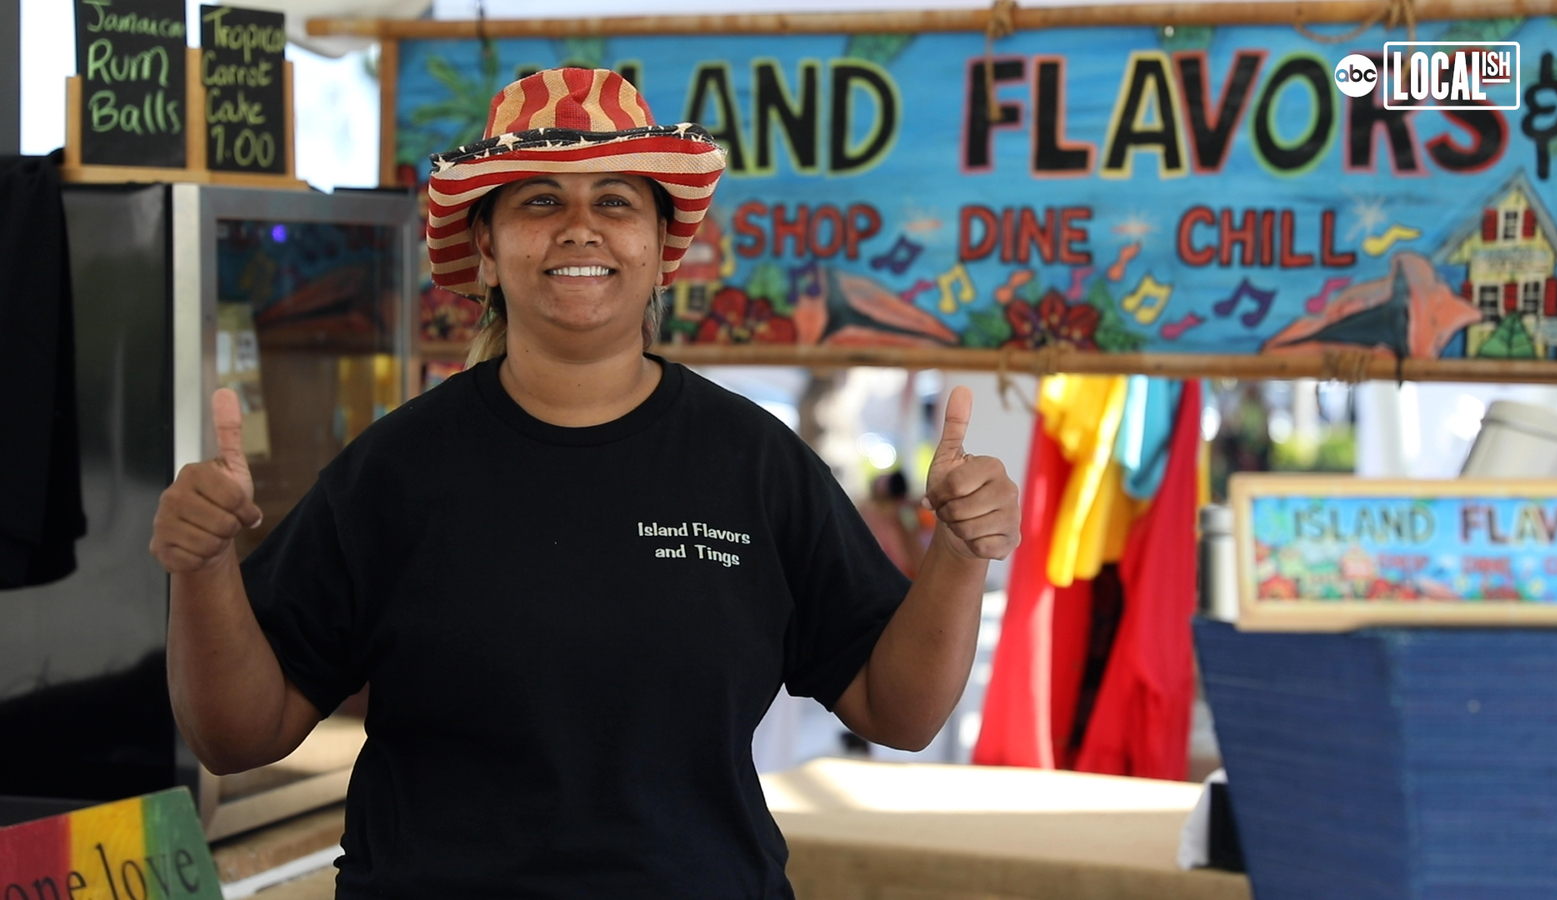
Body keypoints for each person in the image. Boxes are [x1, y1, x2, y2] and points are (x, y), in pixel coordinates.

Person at [150, 68, 1020, 898]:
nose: (580, 227)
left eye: (615, 200)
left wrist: (958, 551)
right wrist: (204, 568)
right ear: (485, 247)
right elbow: (236, 736)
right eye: (540, 201)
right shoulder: (394, 472)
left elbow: (896, 713)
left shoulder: (752, 463)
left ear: (660, 246)